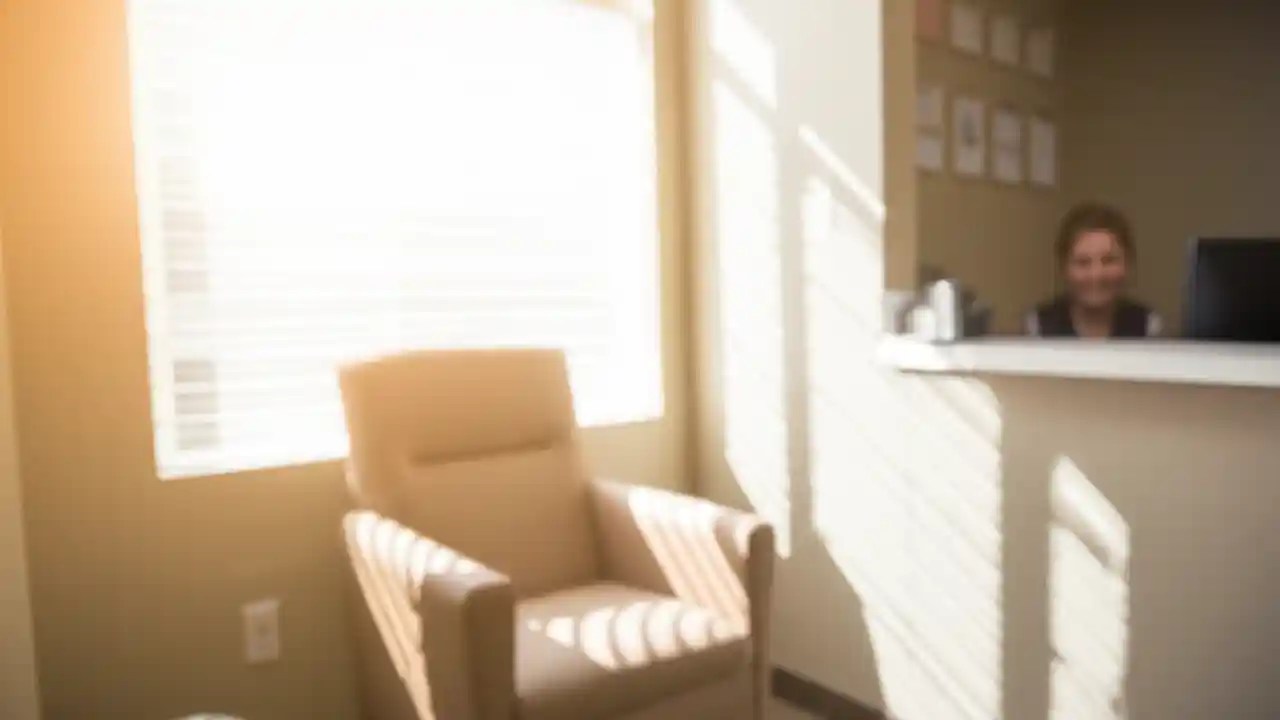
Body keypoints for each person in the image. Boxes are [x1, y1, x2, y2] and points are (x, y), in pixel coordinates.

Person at [1026, 202, 1161, 338]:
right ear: (1064, 267)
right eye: (1083, 262)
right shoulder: (1039, 326)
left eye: (1109, 261)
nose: (1096, 275)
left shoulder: (1147, 325)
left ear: (1128, 263)